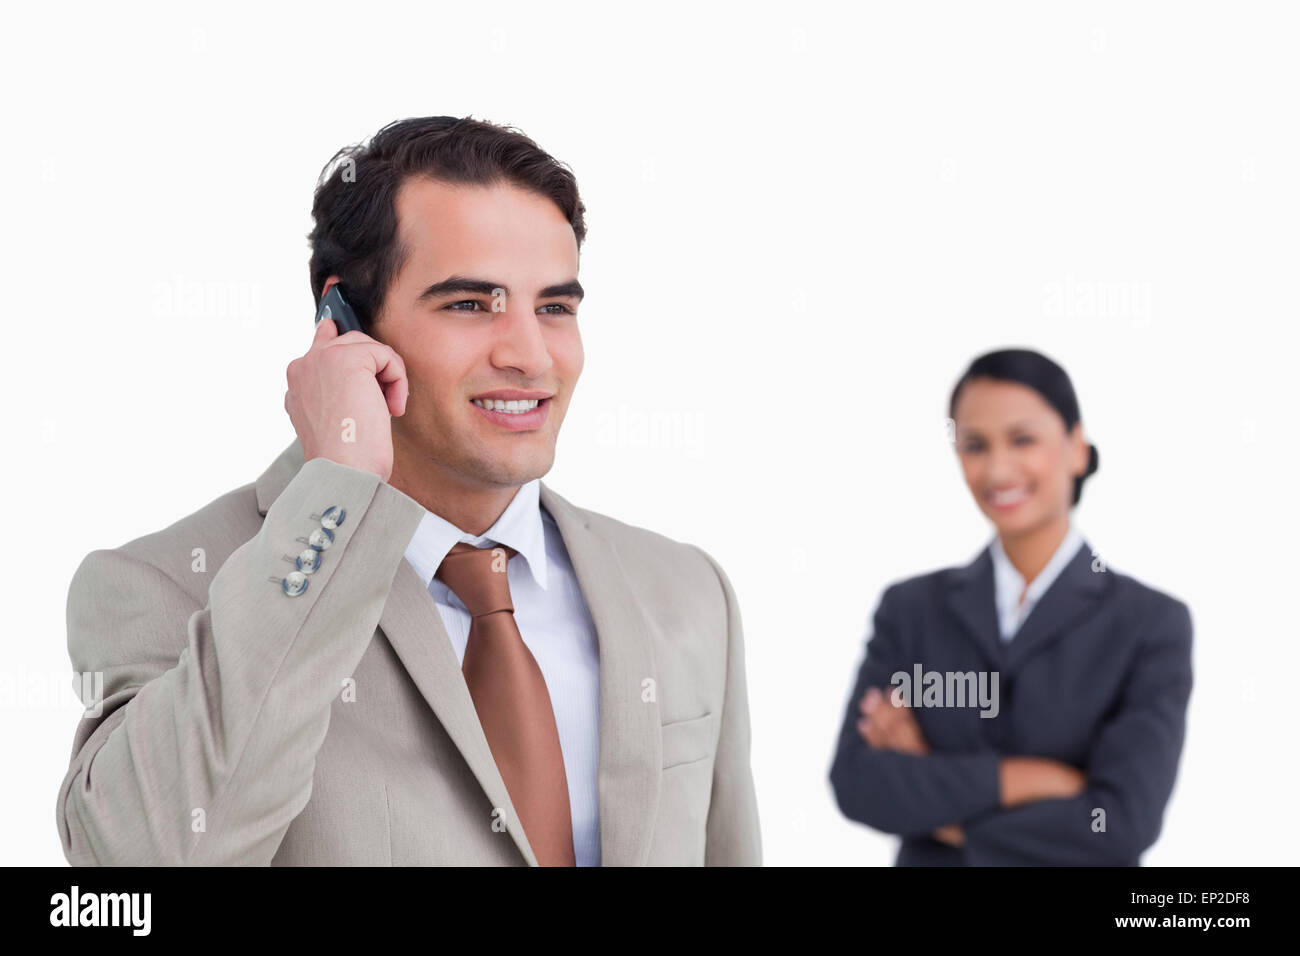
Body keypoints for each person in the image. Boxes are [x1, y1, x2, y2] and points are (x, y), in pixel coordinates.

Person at [56, 115, 761, 867]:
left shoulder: (688, 592)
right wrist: (341, 485)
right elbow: (145, 861)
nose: (529, 355)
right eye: (468, 304)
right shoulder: (162, 585)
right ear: (346, 320)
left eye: (553, 307)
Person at [829, 347, 1192, 865]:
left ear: (1077, 448)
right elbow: (858, 783)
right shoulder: (910, 609)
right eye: (975, 445)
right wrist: (1028, 780)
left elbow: (1120, 822)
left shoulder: (1149, 623)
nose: (998, 468)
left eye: (1022, 439)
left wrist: (941, 804)